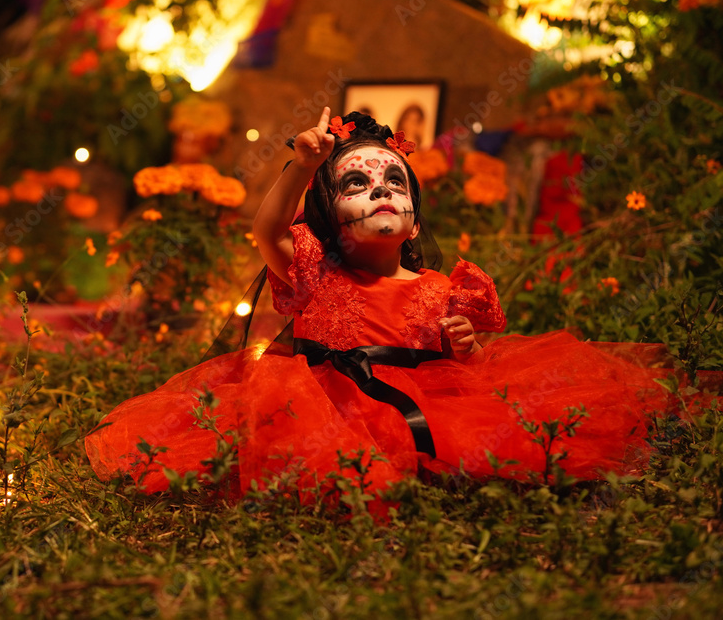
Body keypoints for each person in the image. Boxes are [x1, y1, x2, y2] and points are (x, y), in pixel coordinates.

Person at [85, 108, 712, 509]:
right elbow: (266, 226)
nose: (380, 190)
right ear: (329, 218)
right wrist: (302, 166)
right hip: (321, 397)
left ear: (413, 222)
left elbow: (457, 356)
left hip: (422, 394)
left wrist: (461, 340)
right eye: (356, 183)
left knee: (492, 440)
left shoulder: (439, 285)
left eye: (394, 182)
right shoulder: (313, 267)